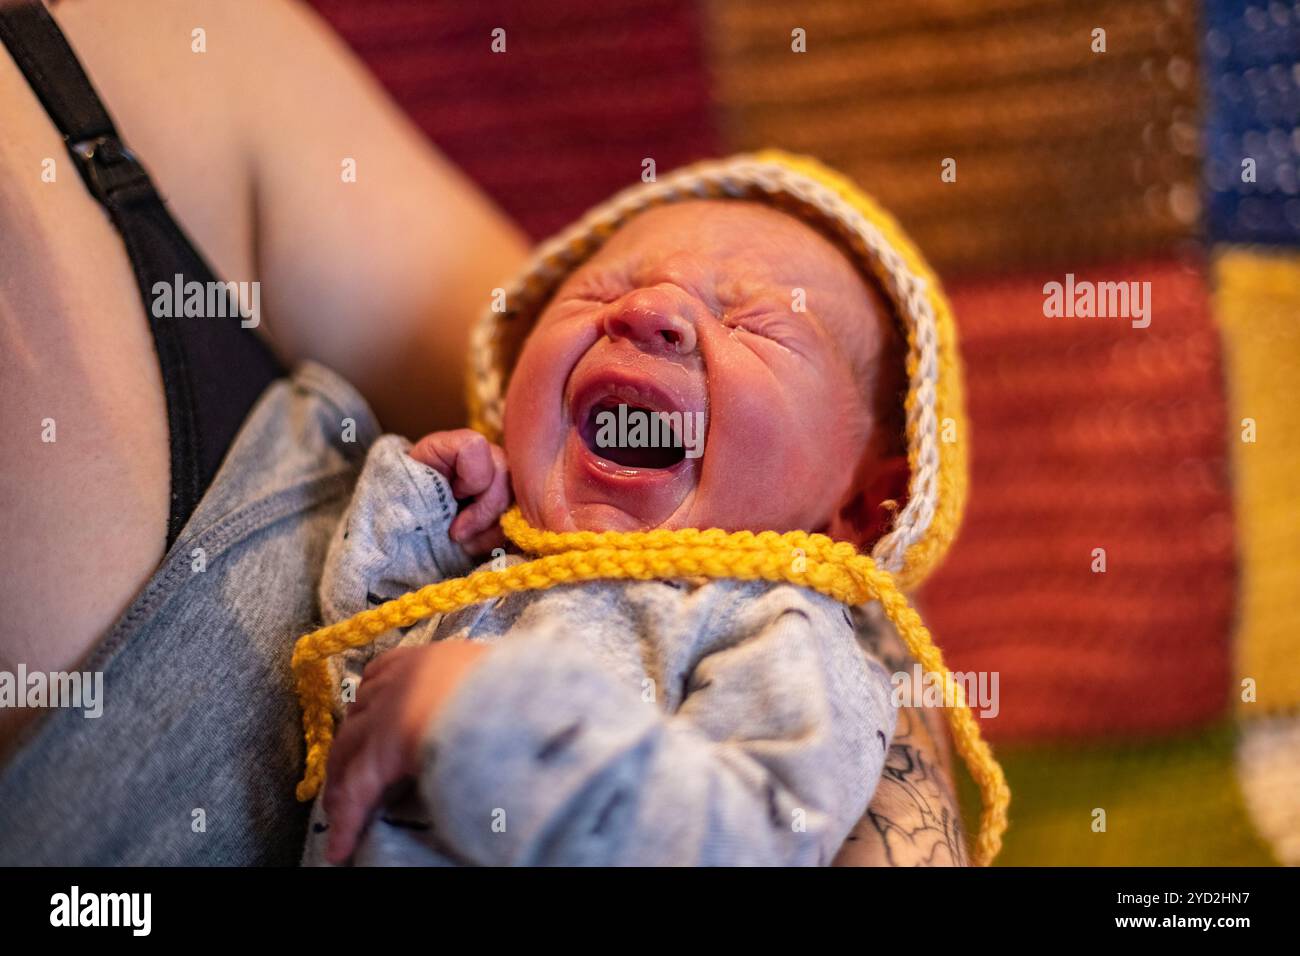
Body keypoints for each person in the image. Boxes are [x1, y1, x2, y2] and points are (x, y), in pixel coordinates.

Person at [0, 0, 964, 866]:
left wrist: (483, 719)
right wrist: (425, 519)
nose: (653, 310)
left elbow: (737, 838)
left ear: (863, 505)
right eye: (603, 289)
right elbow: (349, 654)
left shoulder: (776, 636)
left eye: (755, 321)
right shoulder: (497, 569)